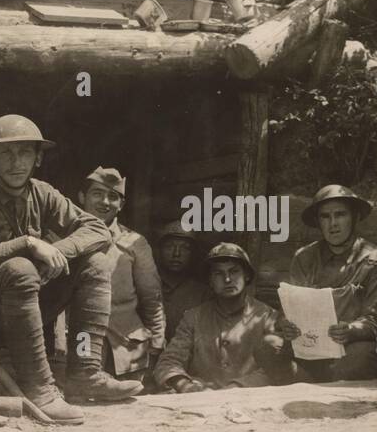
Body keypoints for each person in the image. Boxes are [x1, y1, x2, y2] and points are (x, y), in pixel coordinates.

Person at [0, 115, 143, 425]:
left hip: (25, 312)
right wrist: (26, 244)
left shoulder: (41, 193)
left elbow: (97, 230)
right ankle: (39, 389)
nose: (16, 162)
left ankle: (85, 372)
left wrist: (56, 252)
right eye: (5, 153)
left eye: (25, 152)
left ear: (38, 158)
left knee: (94, 263)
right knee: (20, 267)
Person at [276, 185, 377, 382]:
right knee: (268, 346)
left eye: (340, 215)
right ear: (318, 222)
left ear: (354, 218)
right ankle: (309, 380)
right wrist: (286, 325)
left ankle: (314, 382)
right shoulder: (304, 257)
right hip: (310, 345)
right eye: (325, 217)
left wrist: (351, 330)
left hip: (351, 346)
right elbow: (287, 310)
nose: (333, 224)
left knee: (363, 355)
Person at [154, 243, 293, 392]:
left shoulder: (267, 317)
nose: (227, 279)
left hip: (248, 398)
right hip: (201, 397)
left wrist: (235, 388)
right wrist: (186, 386)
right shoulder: (193, 317)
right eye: (218, 273)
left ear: (246, 276)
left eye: (234, 271)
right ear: (210, 281)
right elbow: (169, 361)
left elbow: (275, 369)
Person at [76, 167, 166, 381]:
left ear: (121, 205)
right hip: (81, 342)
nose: (105, 202)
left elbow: (152, 297)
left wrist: (157, 340)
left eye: (113, 196)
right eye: (97, 193)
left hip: (126, 346)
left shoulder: (135, 243)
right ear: (81, 197)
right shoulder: (64, 239)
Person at [155, 221, 209, 339]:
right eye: (169, 246)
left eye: (185, 248)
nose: (176, 253)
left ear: (193, 254)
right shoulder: (144, 286)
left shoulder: (203, 293)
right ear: (159, 250)